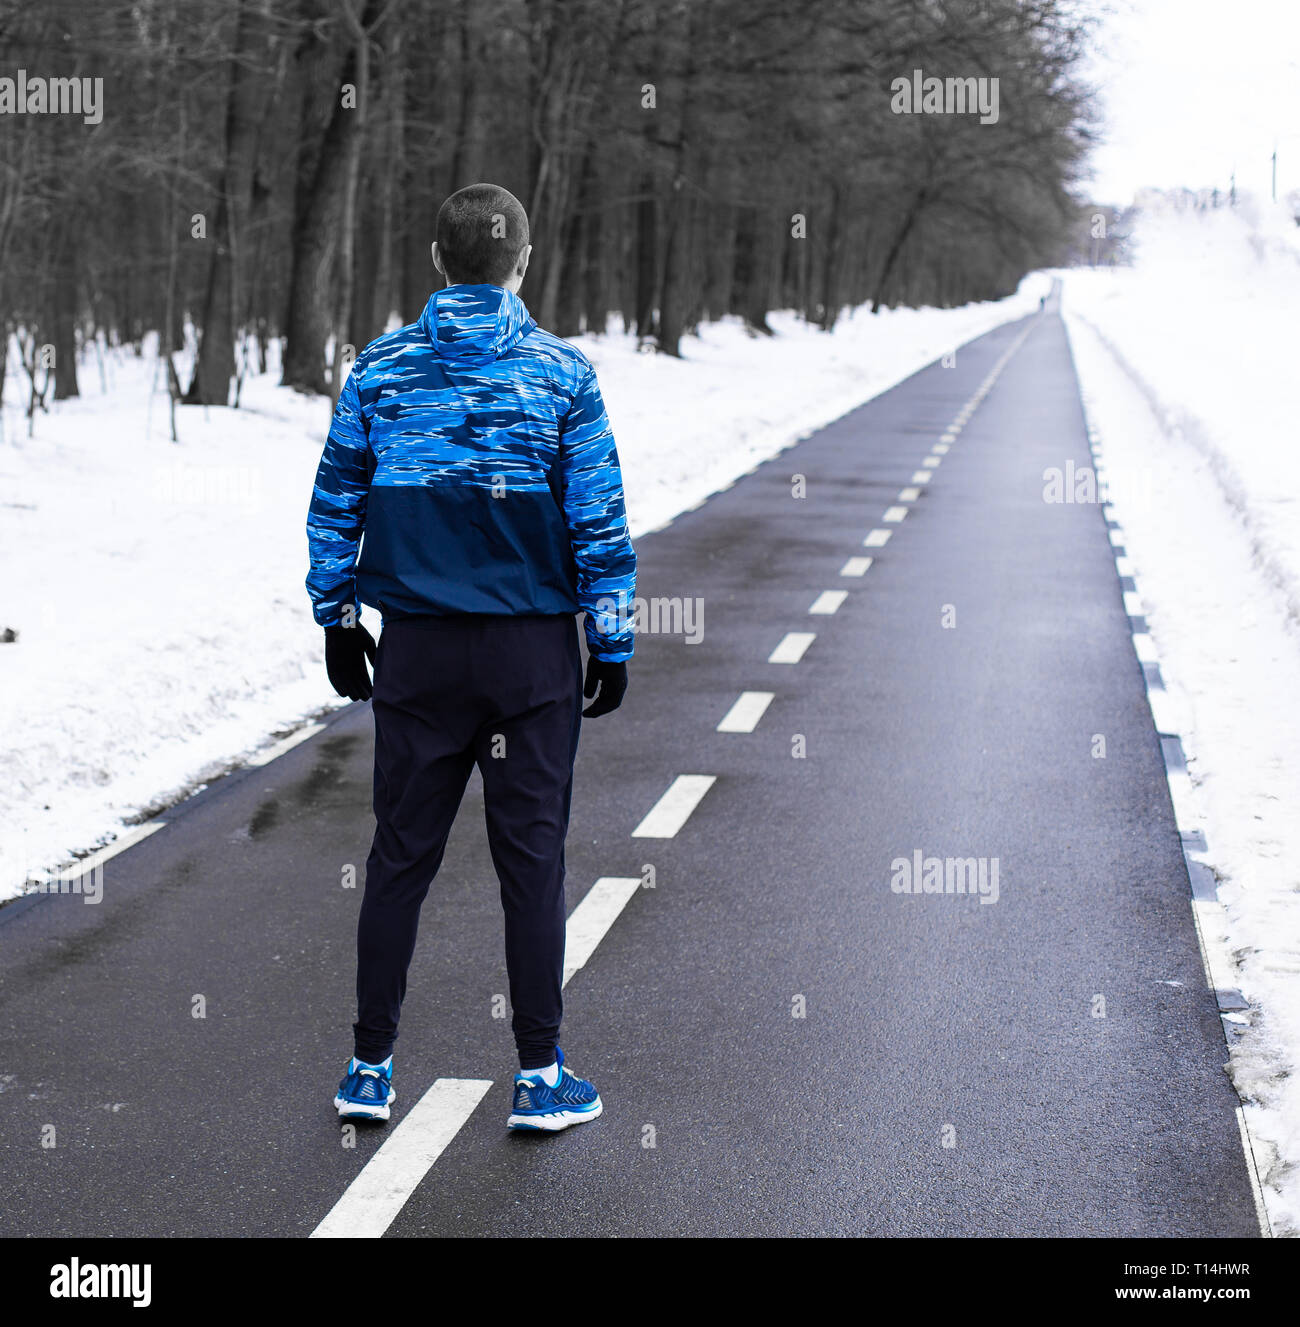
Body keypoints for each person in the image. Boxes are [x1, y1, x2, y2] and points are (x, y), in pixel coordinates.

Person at [305, 182, 636, 1132]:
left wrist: (336, 617)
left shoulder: (379, 371)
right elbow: (598, 521)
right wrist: (608, 638)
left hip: (419, 651)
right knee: (531, 862)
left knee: (400, 856)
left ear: (438, 261)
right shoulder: (563, 375)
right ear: (522, 264)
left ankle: (369, 1066)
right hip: (532, 656)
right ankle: (540, 1074)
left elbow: (336, 501)